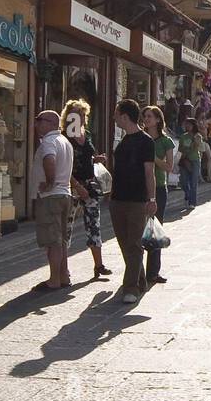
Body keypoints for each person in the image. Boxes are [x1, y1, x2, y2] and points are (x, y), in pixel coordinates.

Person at [110, 99, 157, 304]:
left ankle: (130, 288)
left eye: (116, 113)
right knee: (124, 243)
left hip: (137, 200)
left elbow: (149, 172)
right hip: (117, 198)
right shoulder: (122, 140)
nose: (114, 117)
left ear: (125, 116)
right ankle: (140, 280)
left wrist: (152, 198)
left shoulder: (145, 141)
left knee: (135, 244)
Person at [63, 99, 110, 281]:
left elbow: (86, 158)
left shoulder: (86, 134)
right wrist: (77, 186)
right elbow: (65, 166)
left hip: (89, 185)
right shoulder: (65, 137)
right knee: (66, 227)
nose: (80, 117)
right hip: (73, 185)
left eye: (82, 114)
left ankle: (98, 265)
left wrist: (95, 159)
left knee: (94, 224)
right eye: (76, 113)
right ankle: (64, 270)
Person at [32, 109, 74, 290]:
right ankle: (63, 275)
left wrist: (49, 182)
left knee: (53, 240)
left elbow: (50, 160)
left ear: (49, 123)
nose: (36, 123)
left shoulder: (49, 141)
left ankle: (54, 279)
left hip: (51, 196)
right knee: (62, 238)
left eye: (39, 120)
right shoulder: (65, 141)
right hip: (65, 194)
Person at [143, 105, 175, 285]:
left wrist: (151, 158)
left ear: (157, 120)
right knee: (139, 228)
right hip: (140, 187)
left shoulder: (165, 142)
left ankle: (153, 271)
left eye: (149, 116)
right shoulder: (140, 138)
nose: (146, 119)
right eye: (145, 116)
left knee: (155, 228)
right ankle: (138, 271)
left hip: (159, 188)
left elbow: (169, 167)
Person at [177, 117, 203, 208]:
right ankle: (187, 195)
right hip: (184, 160)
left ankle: (192, 202)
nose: (187, 126)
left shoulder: (198, 136)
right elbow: (180, 149)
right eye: (186, 124)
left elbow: (197, 147)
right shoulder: (183, 136)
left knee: (193, 182)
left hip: (194, 160)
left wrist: (194, 142)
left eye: (189, 124)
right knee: (183, 181)